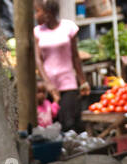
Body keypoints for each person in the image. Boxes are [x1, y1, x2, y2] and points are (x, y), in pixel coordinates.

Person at [34, 0, 90, 133]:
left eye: (38, 11)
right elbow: (38, 59)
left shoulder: (68, 27)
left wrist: (82, 81)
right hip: (48, 87)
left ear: (48, 12)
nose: (36, 16)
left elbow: (75, 56)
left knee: (68, 124)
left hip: (67, 83)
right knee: (50, 126)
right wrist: (47, 83)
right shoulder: (38, 31)